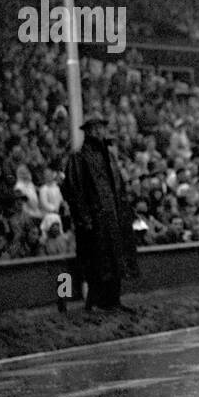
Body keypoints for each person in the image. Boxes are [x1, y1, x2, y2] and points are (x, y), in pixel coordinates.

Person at [61, 113, 137, 311]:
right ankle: (94, 302)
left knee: (114, 261)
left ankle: (113, 300)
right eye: (96, 128)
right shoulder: (80, 158)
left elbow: (118, 187)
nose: (100, 131)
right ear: (89, 131)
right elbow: (74, 191)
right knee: (96, 262)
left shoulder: (108, 156)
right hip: (96, 219)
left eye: (102, 127)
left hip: (113, 217)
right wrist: (84, 218)